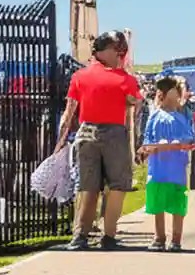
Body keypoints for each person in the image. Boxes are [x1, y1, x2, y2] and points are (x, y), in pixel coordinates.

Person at [55, 30, 143, 250]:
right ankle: (109, 236)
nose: (121, 55)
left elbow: (69, 113)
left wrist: (60, 140)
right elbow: (135, 104)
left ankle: (80, 235)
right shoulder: (126, 80)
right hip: (114, 133)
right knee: (117, 185)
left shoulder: (80, 77)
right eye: (118, 51)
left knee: (86, 186)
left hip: (86, 133)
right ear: (107, 51)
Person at [138, 76, 195, 251]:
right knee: (157, 204)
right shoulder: (154, 116)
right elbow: (148, 143)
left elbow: (190, 142)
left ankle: (176, 239)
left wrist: (174, 145)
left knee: (177, 205)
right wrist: (152, 149)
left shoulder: (182, 117)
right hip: (157, 170)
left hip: (176, 171)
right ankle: (159, 237)